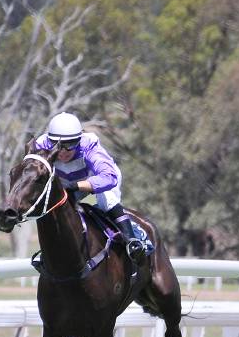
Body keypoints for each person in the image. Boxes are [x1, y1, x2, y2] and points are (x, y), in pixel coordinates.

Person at [34, 112, 153, 261]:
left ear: (78, 140)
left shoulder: (88, 145)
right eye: (56, 145)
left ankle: (132, 241)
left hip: (97, 181)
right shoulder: (41, 146)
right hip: (65, 184)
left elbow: (109, 177)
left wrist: (76, 186)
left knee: (106, 200)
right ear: (49, 141)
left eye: (69, 145)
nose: (63, 151)